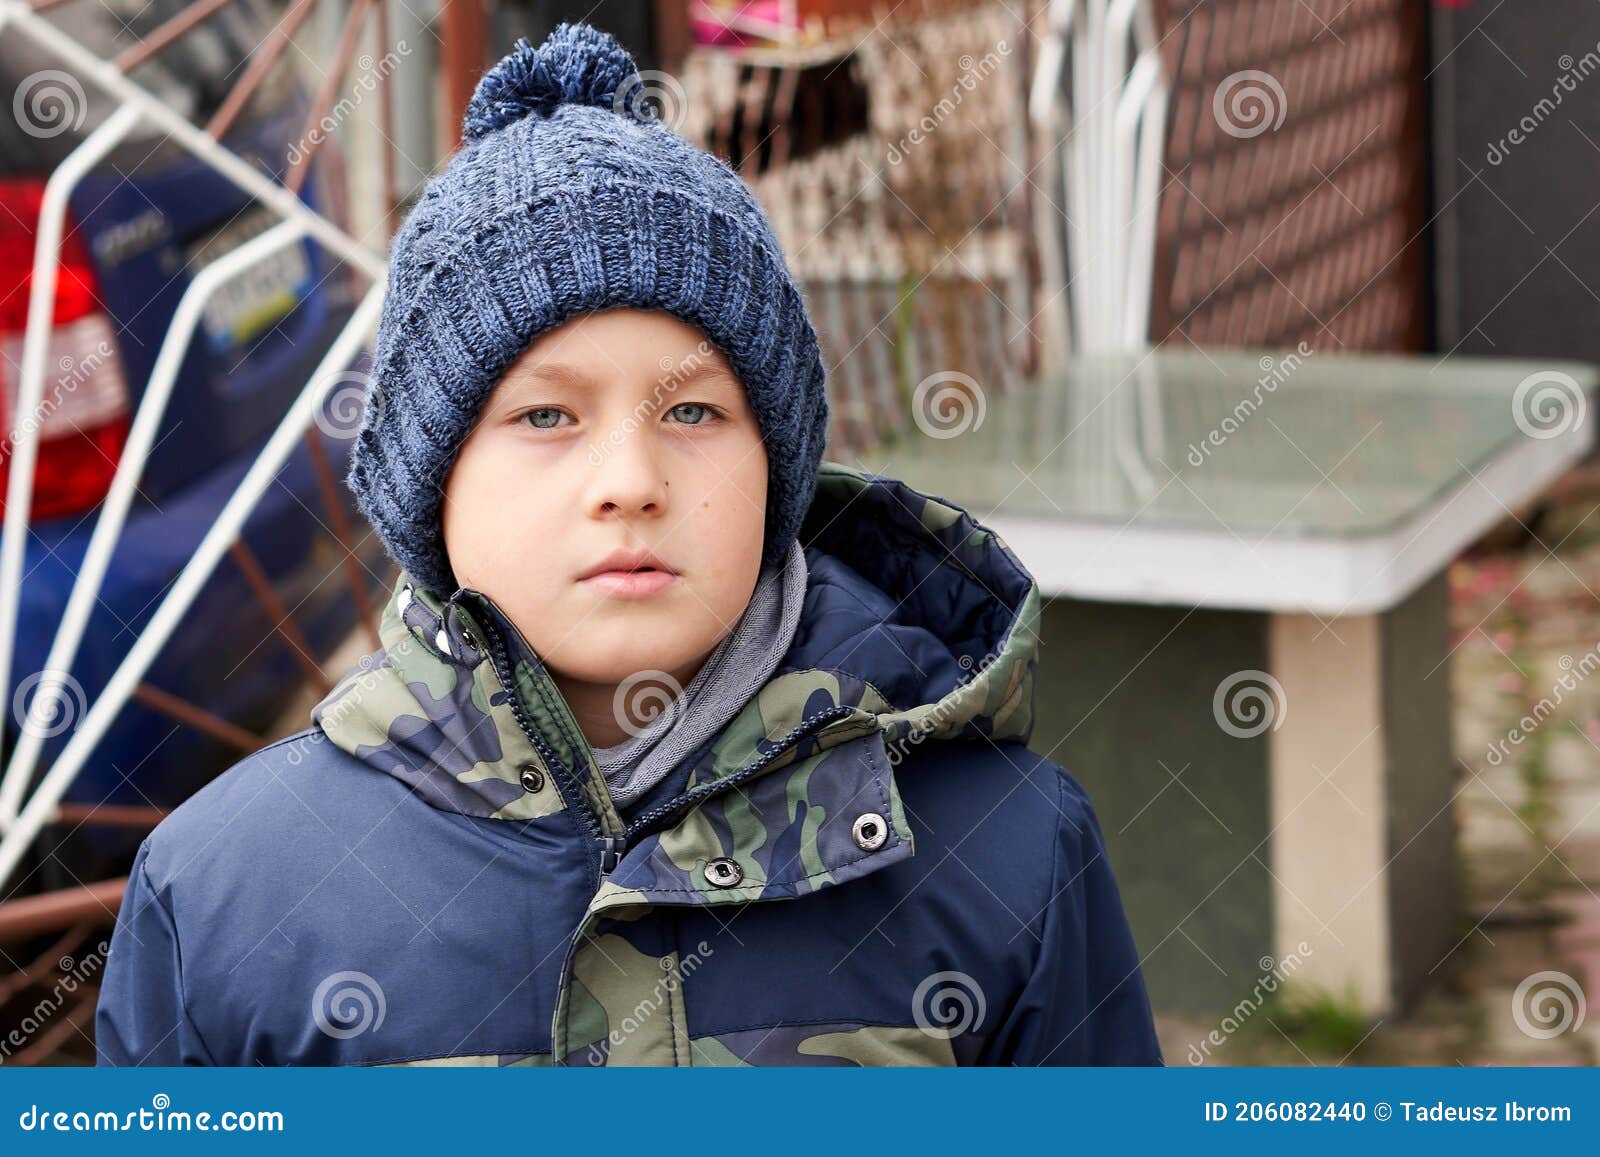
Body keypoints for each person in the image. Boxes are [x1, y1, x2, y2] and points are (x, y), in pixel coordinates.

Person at [94, 22, 1161, 1067]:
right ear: (434, 481)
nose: (630, 484)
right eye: (545, 417)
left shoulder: (1006, 855)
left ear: (776, 470)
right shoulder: (227, 896)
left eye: (692, 414)